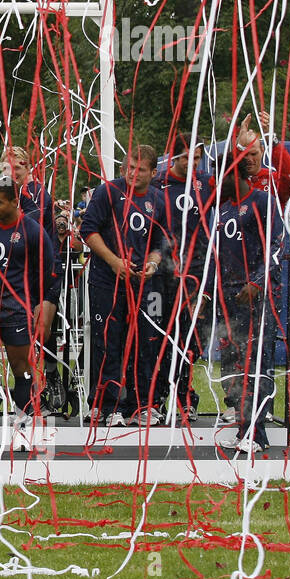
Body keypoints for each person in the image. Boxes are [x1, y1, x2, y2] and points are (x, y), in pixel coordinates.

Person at [0, 175, 58, 450]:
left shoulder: (32, 230)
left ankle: (25, 426)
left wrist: (38, 304)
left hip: (17, 311)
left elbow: (48, 270)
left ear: (15, 202)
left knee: (21, 369)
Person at [79, 145, 169, 426]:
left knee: (145, 342)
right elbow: (88, 231)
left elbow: (161, 242)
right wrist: (114, 261)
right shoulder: (108, 192)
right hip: (107, 281)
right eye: (129, 167)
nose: (133, 173)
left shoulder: (159, 199)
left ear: (154, 172)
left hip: (144, 285)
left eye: (140, 169)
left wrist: (152, 264)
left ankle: (141, 405)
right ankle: (107, 405)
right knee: (108, 341)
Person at [212, 164, 280, 453]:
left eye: (221, 177)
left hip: (255, 298)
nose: (217, 183)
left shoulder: (262, 202)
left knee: (255, 365)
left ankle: (257, 433)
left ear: (233, 175)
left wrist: (257, 281)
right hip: (228, 299)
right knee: (236, 367)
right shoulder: (224, 209)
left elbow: (276, 246)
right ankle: (243, 429)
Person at [152, 133, 215, 417]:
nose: (192, 164)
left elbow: (239, 179)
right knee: (155, 334)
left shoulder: (205, 185)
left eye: (197, 159)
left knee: (188, 339)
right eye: (187, 157)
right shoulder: (157, 183)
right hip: (158, 277)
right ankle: (153, 399)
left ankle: (185, 399)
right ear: (174, 156)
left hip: (192, 275)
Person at [235, 120, 290, 208]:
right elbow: (217, 185)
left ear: (262, 150)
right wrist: (238, 148)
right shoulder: (232, 182)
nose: (249, 159)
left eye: (254, 154)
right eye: (244, 154)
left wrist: (272, 141)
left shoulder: (273, 180)